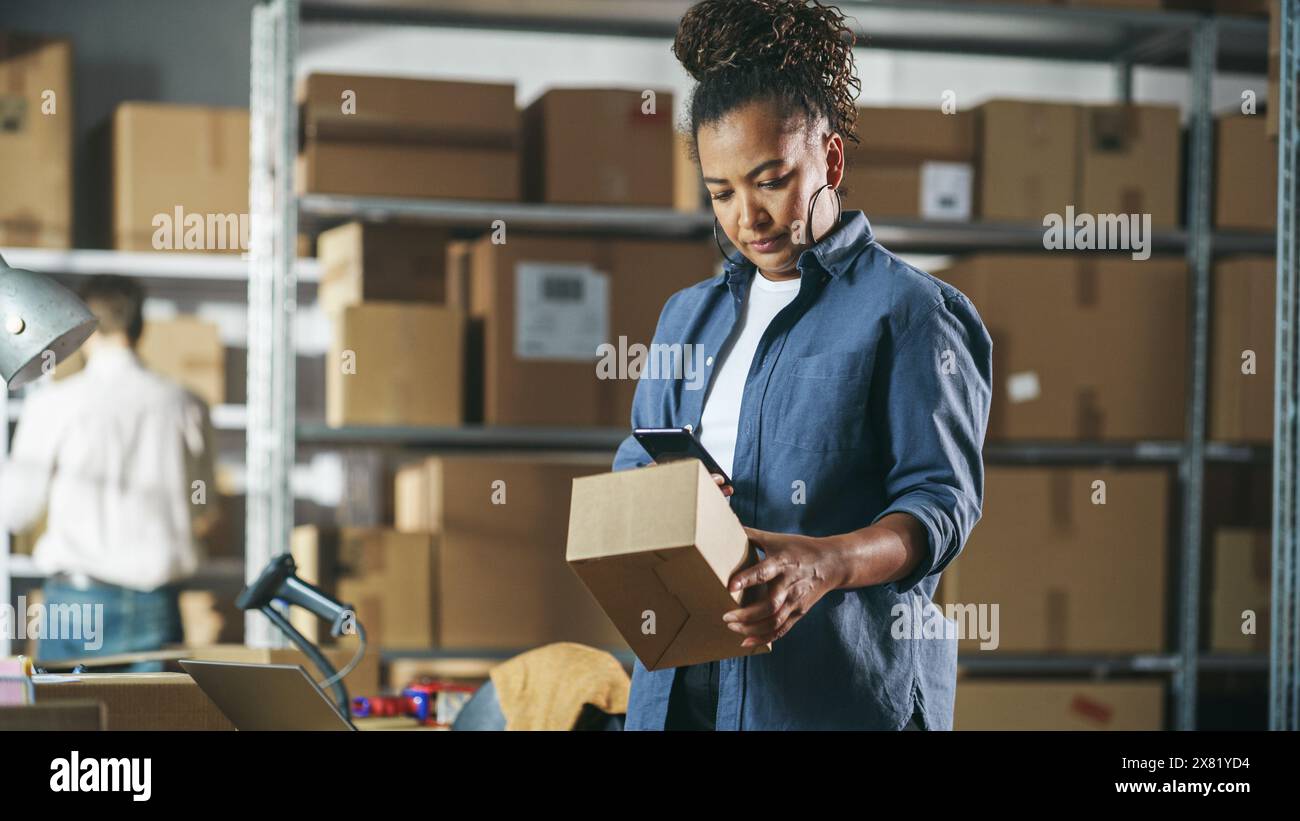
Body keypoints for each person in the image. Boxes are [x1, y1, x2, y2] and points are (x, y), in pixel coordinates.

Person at [611, 0, 993, 730]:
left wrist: (825, 562)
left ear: (832, 160)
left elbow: (939, 507)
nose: (746, 215)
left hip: (832, 697)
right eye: (720, 192)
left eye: (771, 179)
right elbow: (637, 462)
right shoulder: (685, 318)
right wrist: (670, 494)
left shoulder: (910, 313)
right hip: (678, 694)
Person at [0, 275, 216, 671]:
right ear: (140, 328)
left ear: (80, 326)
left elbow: (16, 511)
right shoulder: (187, 405)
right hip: (156, 601)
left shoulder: (56, 404)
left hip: (76, 605)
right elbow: (204, 509)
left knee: (66, 722)